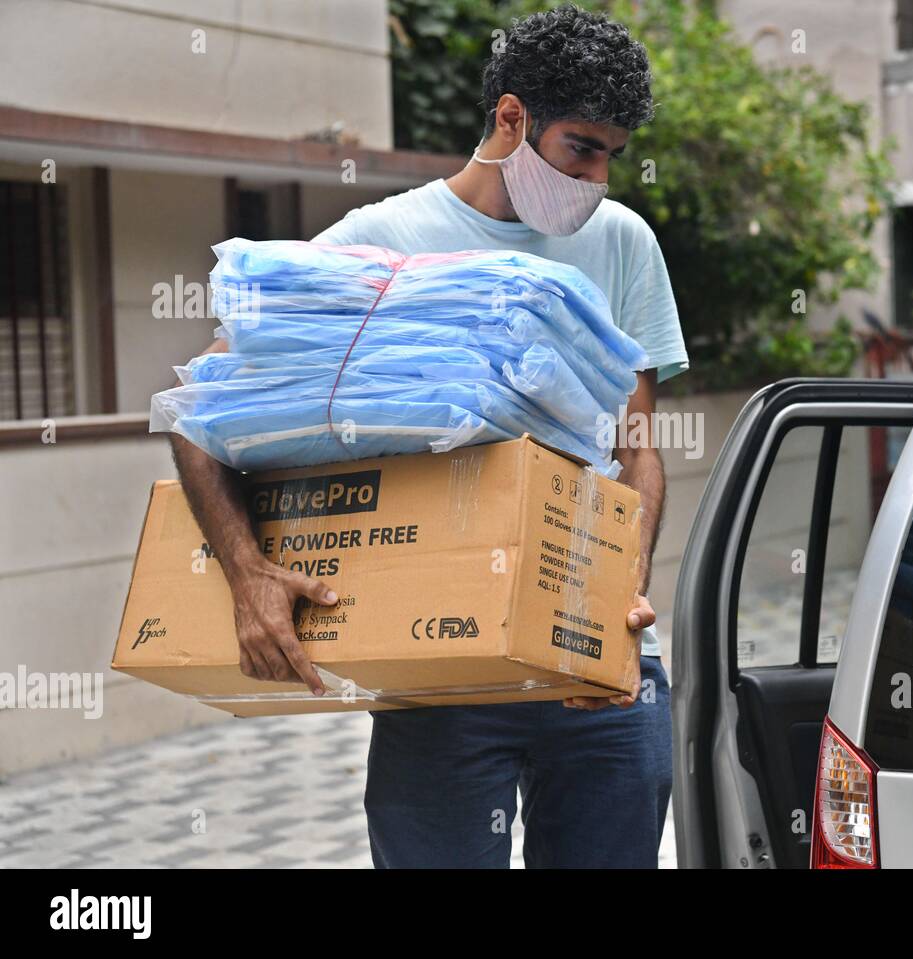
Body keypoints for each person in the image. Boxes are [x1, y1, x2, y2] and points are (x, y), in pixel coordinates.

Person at [168, 4, 687, 868]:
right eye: (581, 148)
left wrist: (622, 594)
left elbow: (636, 447)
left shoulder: (624, 243)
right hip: (441, 665)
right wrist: (247, 570)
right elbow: (202, 415)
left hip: (597, 665)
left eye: (612, 156)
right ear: (512, 118)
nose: (597, 179)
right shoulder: (378, 244)